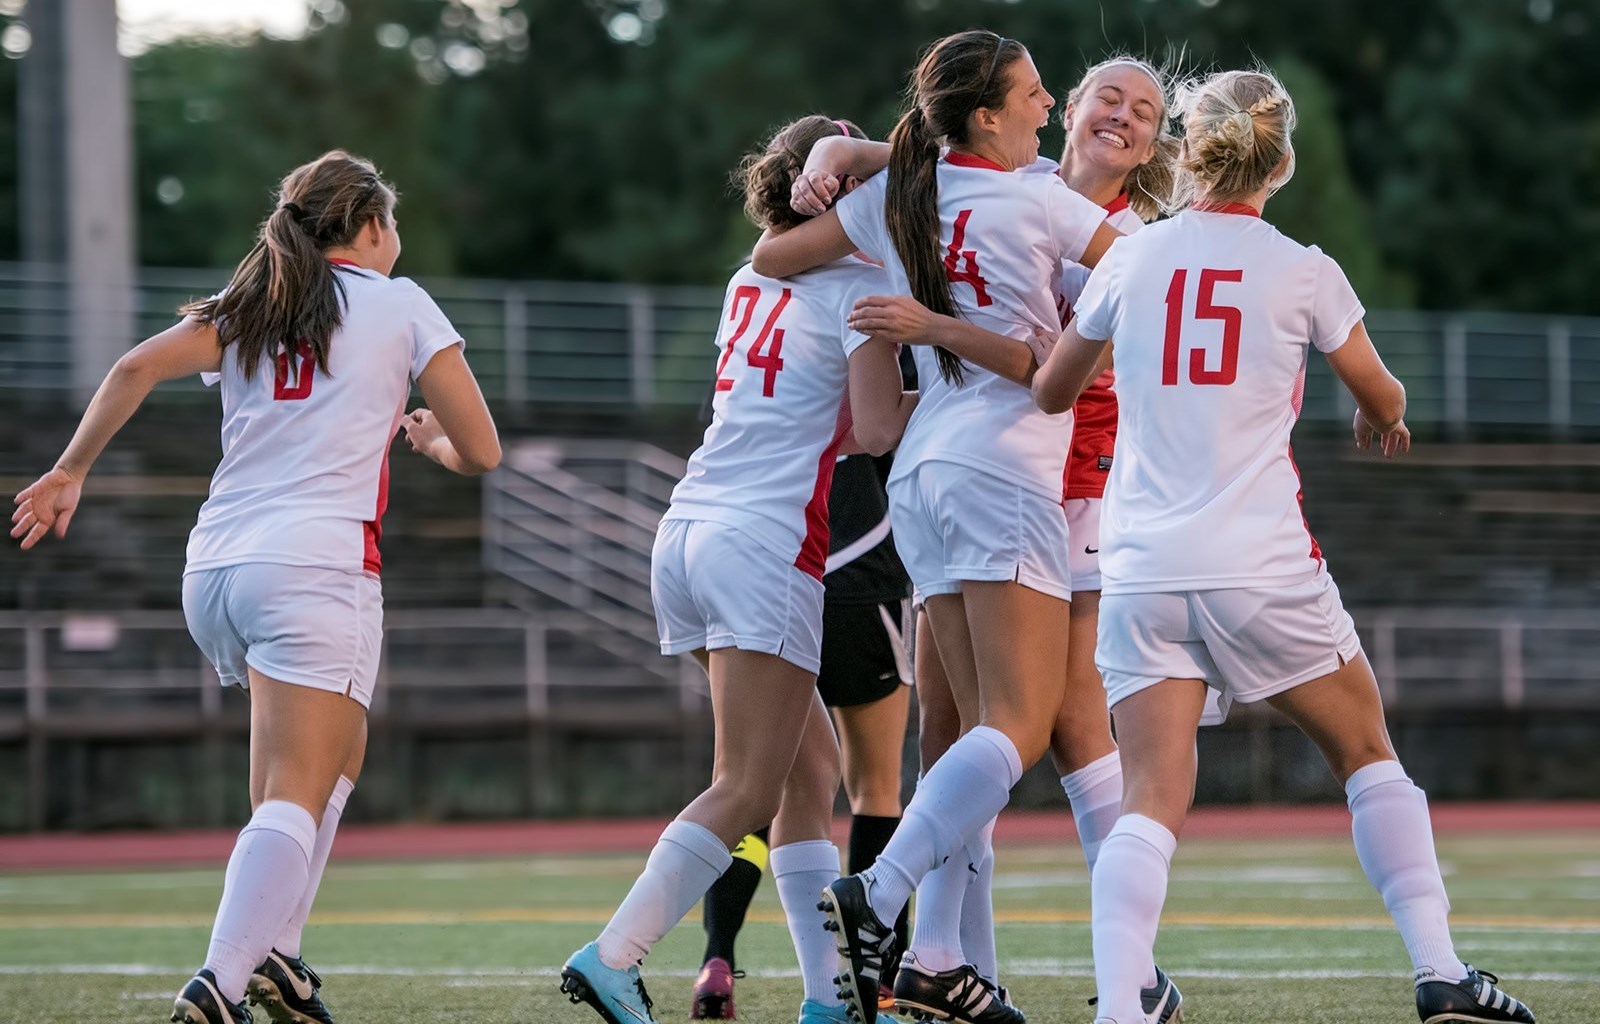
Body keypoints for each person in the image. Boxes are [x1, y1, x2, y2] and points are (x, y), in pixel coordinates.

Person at [1031, 67, 1536, 1024]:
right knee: (1366, 750)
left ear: (1186, 149)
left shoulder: (1130, 260)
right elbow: (1384, 393)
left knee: (1148, 800)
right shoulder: (1303, 266)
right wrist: (1374, 417)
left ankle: (1120, 1012)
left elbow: (1054, 391)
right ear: (1284, 161)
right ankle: (1440, 971)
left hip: (1138, 567)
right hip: (1260, 561)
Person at [10, 150, 501, 1024]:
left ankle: (276, 951)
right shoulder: (401, 302)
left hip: (217, 570)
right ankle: (221, 983)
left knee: (326, 768)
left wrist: (66, 472)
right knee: (295, 792)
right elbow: (486, 450)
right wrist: (432, 447)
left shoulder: (249, 305)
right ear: (374, 226)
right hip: (316, 566)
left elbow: (132, 367)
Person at [752, 30, 1122, 1024]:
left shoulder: (897, 199)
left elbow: (772, 252)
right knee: (1020, 721)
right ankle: (879, 895)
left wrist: (834, 168)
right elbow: (1139, 282)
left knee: (960, 726)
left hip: (918, 473)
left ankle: (946, 961)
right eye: (1034, 95)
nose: (1048, 108)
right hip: (1005, 470)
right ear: (986, 114)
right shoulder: (1039, 200)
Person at [558, 115, 916, 1024]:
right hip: (764, 542)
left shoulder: (747, 275)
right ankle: (615, 954)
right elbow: (875, 432)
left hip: (688, 528)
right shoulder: (860, 284)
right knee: (747, 784)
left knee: (808, 775)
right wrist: (990, 386)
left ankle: (828, 997)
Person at [691, 442, 916, 1021]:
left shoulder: (741, 349)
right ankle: (880, 980)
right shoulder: (876, 345)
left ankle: (717, 957)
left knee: (754, 784)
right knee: (876, 785)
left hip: (771, 571)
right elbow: (886, 425)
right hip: (861, 569)